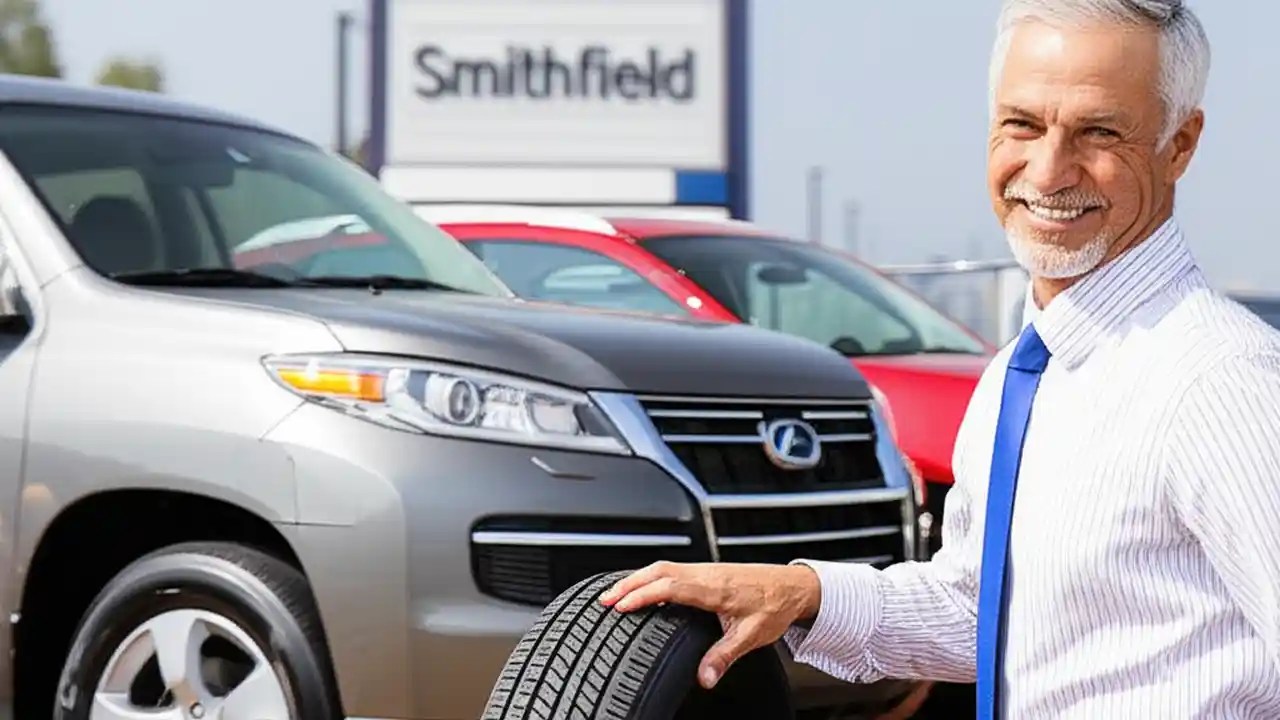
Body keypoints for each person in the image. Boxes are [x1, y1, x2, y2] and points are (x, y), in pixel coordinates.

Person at [600, 1, 1280, 717]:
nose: (1047, 172)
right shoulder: (1022, 374)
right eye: (1022, 124)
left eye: (1099, 132)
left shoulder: (1223, 382)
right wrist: (798, 593)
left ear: (1181, 143)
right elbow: (987, 613)